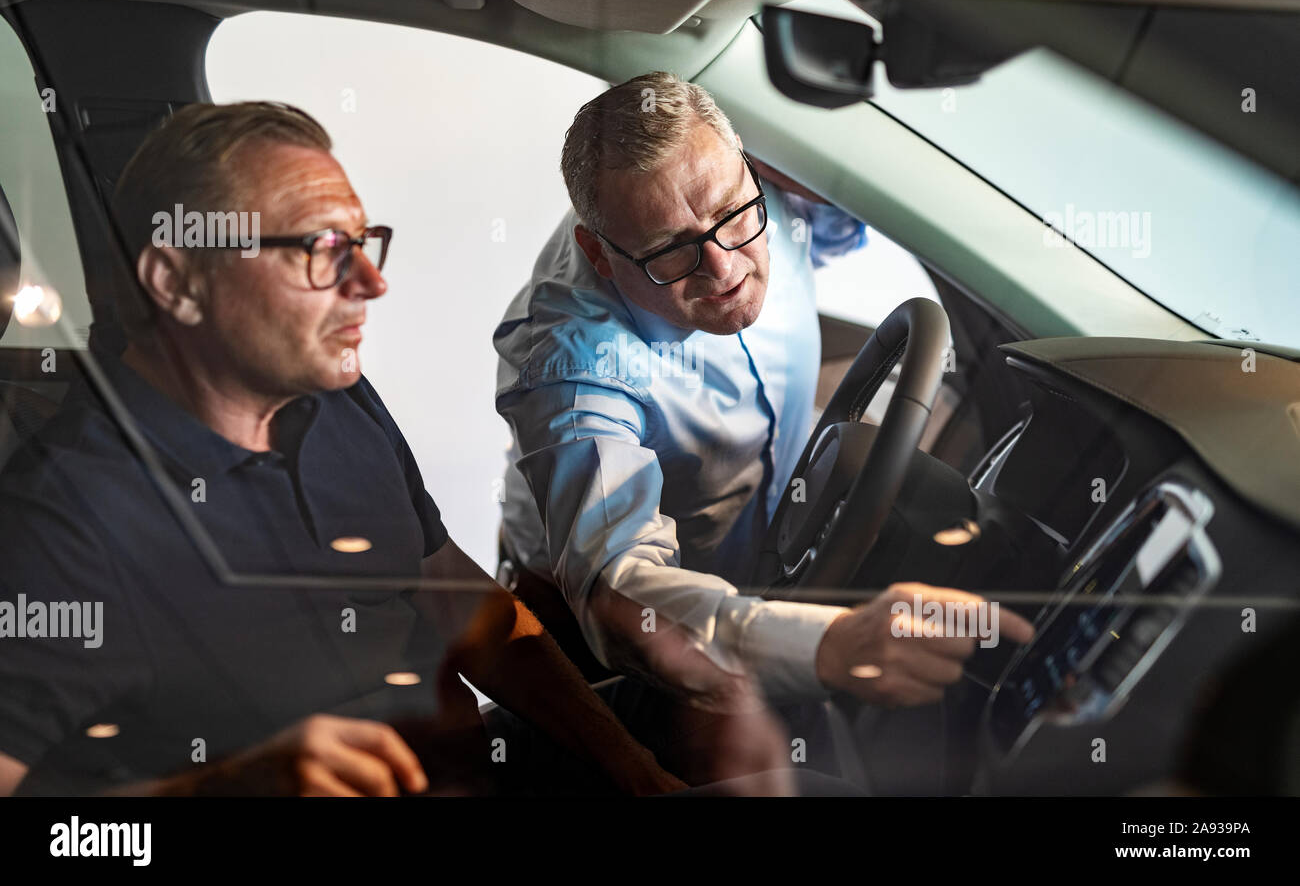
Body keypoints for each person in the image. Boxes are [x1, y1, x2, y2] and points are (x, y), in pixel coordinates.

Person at [0, 101, 714, 797]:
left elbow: (459, 603)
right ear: (176, 282)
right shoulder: (62, 529)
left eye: (363, 244)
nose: (372, 284)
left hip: (471, 771)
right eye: (321, 250)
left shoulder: (334, 397)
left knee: (741, 706)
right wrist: (226, 786)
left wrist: (634, 771)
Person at [494, 72, 1033, 719]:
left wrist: (835, 163)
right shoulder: (574, 361)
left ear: (750, 166)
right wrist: (826, 646)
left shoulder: (753, 186)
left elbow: (837, 212)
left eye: (733, 216)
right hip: (650, 641)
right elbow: (618, 590)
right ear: (600, 254)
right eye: (670, 253)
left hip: (786, 540)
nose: (724, 271)